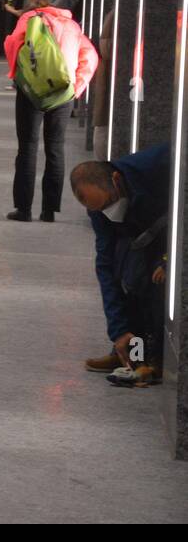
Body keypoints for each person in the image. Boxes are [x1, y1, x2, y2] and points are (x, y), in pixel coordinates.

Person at [70, 143, 170, 387]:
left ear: (116, 180)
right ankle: (131, 351)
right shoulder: (99, 212)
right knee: (127, 276)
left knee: (156, 281)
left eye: (107, 203)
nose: (107, 212)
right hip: (145, 233)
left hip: (170, 228)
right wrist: (118, 330)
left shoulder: (159, 164)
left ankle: (156, 359)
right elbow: (105, 266)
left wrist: (171, 259)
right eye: (97, 209)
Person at [2, 0, 97, 221]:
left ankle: (23, 209)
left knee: (27, 146)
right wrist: (76, 87)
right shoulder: (72, 25)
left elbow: (13, 45)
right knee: (55, 147)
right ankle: (49, 210)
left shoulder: (29, 19)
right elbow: (90, 56)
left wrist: (18, 75)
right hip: (63, 91)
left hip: (32, 91)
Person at [90, 0, 118, 159]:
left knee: (103, 135)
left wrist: (96, 46)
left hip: (114, 83)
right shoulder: (115, 6)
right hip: (106, 80)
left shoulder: (123, 8)